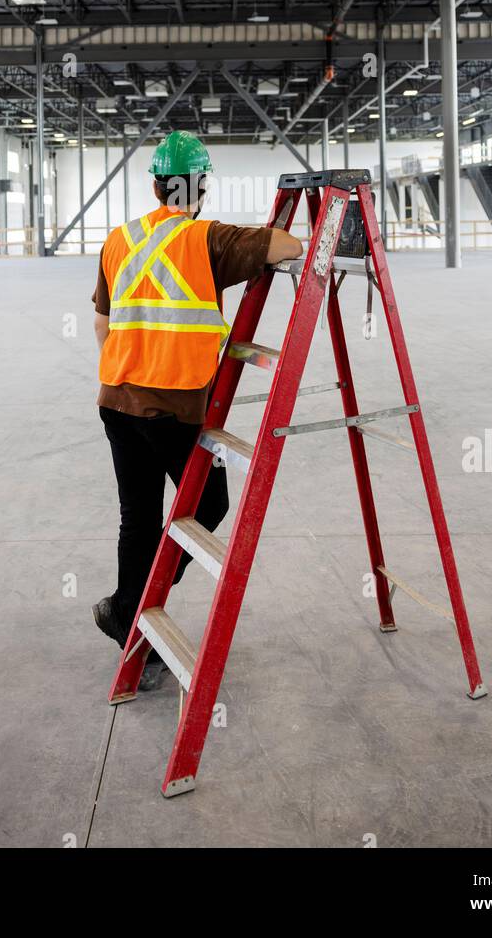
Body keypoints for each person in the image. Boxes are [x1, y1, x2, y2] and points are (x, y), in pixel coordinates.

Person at [91, 129, 303, 689]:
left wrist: (133, 363)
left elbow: (102, 324)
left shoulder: (120, 240)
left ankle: (125, 610)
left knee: (138, 517)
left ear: (158, 184)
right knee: (209, 505)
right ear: (199, 184)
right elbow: (289, 248)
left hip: (117, 401)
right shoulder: (207, 240)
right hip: (173, 410)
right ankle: (140, 602)